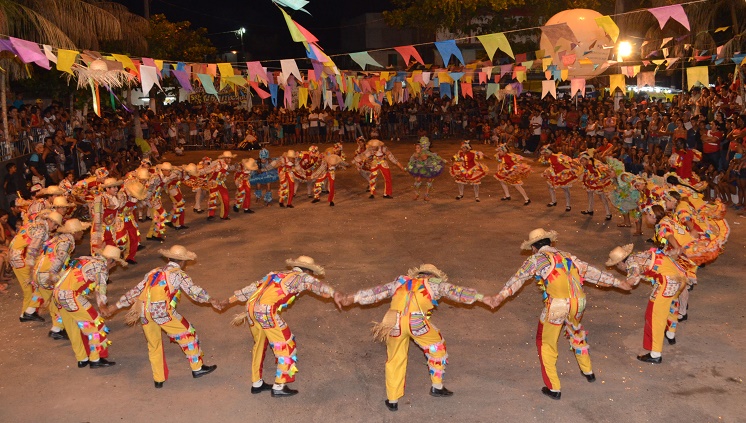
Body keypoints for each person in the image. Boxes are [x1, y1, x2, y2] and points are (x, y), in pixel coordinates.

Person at [490, 228, 627, 400]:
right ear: (550, 242)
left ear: (533, 247)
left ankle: (553, 388)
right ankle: (588, 371)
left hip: (558, 305)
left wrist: (500, 296)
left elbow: (518, 279)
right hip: (579, 302)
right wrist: (617, 282)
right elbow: (591, 272)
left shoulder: (536, 259)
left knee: (545, 343)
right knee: (575, 331)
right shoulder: (568, 256)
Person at [338, 264, 489, 411]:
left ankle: (392, 400)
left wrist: (352, 298)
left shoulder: (400, 282)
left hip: (394, 323)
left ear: (418, 274)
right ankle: (437, 386)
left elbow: (376, 293)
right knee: (436, 346)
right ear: (432, 275)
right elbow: (456, 292)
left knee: (395, 358)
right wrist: (482, 297)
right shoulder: (435, 284)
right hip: (417, 324)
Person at [222, 256, 344, 397]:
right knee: (286, 345)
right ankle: (279, 386)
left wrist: (227, 301)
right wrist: (335, 294)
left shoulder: (275, 274)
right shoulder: (302, 277)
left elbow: (250, 289)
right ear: (308, 271)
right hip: (266, 312)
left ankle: (257, 383)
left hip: (250, 309)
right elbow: (321, 288)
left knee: (259, 345)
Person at [103, 245, 222, 388]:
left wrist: (115, 306)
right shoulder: (178, 274)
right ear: (183, 261)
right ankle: (197, 368)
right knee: (188, 333)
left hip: (144, 313)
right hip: (162, 312)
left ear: (169, 258)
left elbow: (136, 291)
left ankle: (158, 379)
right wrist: (210, 299)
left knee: (154, 345)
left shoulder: (154, 272)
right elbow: (193, 291)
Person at [606, 244, 687, 364]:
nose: (619, 269)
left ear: (620, 263)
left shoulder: (631, 264)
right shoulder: (638, 255)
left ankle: (655, 354)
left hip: (667, 282)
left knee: (654, 317)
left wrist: (622, 284)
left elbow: (633, 278)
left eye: (617, 266)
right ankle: (670, 334)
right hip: (678, 276)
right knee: (671, 305)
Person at [52, 245, 126, 368]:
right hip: (71, 296)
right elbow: (100, 288)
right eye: (115, 263)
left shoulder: (86, 259)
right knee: (95, 325)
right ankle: (95, 359)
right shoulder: (102, 267)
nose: (114, 267)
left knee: (72, 328)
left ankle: (82, 358)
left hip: (57, 293)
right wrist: (102, 305)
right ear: (110, 260)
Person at [29, 218, 90, 339]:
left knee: (54, 303)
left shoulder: (60, 238)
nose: (83, 233)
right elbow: (59, 259)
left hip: (40, 272)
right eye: (81, 231)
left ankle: (57, 328)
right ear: (74, 232)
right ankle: (58, 329)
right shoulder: (66, 242)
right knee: (59, 303)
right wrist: (53, 276)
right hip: (46, 275)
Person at [9, 211, 64, 322]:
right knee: (29, 288)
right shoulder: (41, 230)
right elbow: (33, 250)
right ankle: (25, 314)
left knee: (36, 286)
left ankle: (29, 311)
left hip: (16, 255)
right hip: (21, 258)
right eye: (55, 224)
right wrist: (32, 268)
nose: (55, 227)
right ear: (49, 220)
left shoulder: (37, 224)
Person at [578, 149, 614, 220]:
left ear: (587, 159)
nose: (581, 162)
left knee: (602, 197)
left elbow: (603, 170)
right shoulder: (586, 165)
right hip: (590, 180)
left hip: (598, 181)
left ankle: (608, 213)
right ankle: (590, 209)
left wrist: (604, 178)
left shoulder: (595, 163)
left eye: (583, 161)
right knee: (589, 194)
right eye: (581, 161)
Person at [540, 145, 579, 211]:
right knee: (550, 186)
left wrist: (578, 166)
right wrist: (549, 172)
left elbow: (570, 160)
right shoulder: (550, 158)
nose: (545, 155)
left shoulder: (558, 156)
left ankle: (568, 205)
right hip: (555, 173)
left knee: (565, 189)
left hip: (563, 174)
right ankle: (553, 201)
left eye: (545, 153)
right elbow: (552, 166)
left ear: (549, 152)